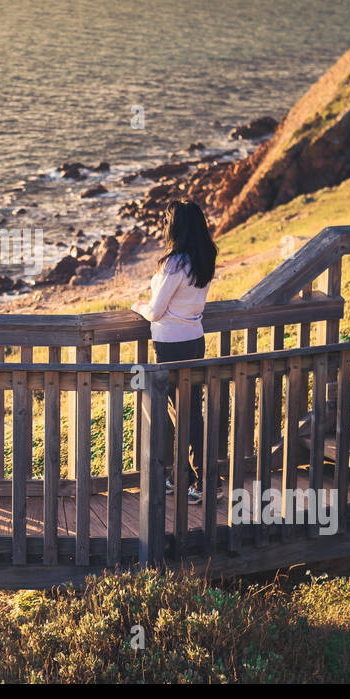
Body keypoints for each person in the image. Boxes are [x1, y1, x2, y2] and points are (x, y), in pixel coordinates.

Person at [131, 200, 216, 505]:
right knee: (189, 410)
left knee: (180, 412)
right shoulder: (203, 257)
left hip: (170, 344)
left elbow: (155, 311)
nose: (164, 225)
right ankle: (190, 477)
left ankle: (198, 480)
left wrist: (138, 307)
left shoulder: (174, 263)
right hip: (194, 338)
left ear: (177, 226)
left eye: (167, 221)